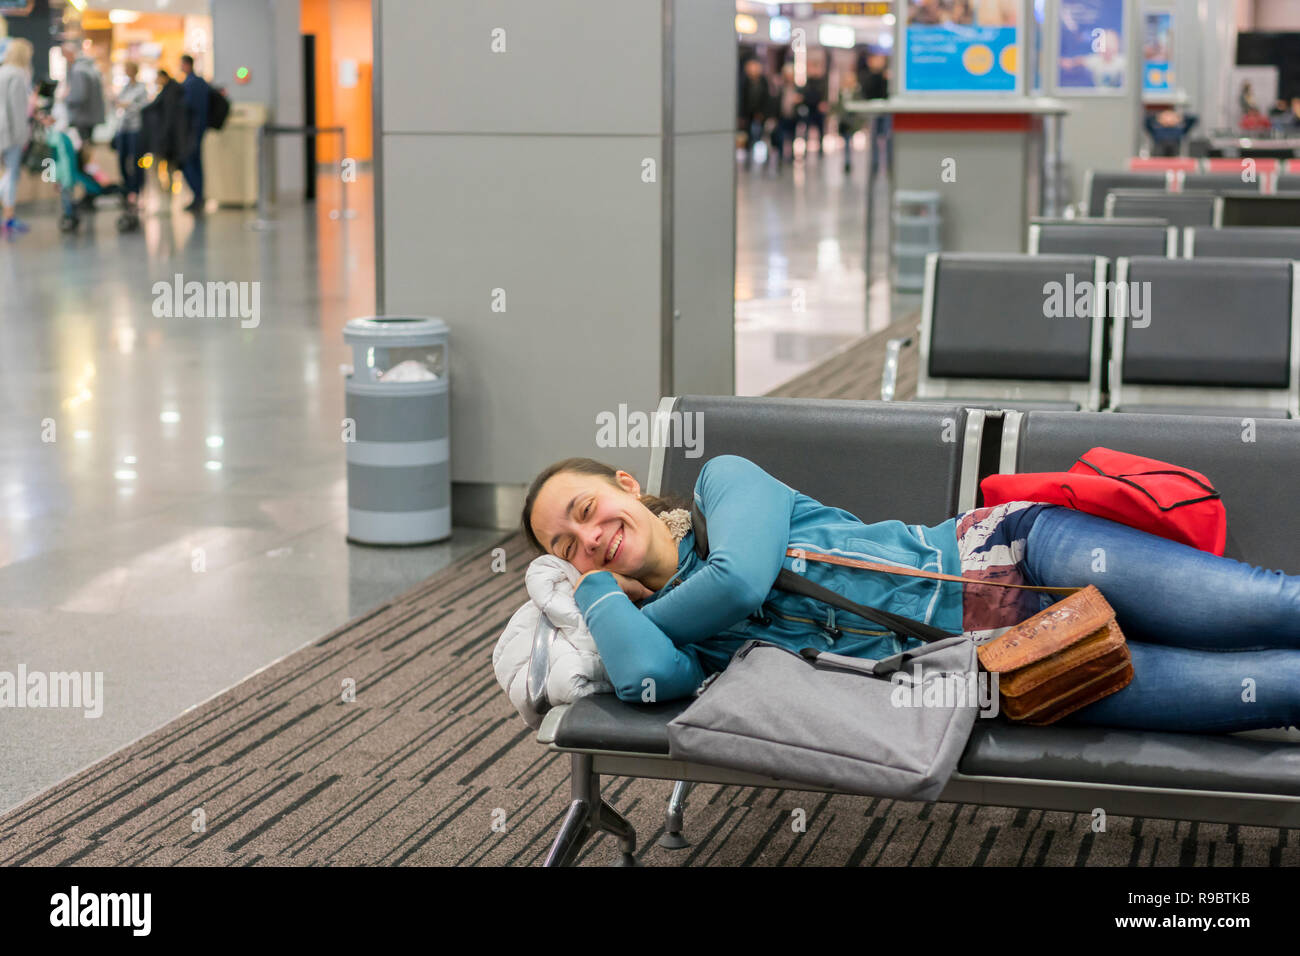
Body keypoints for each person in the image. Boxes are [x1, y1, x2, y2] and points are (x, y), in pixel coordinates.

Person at [521, 454, 1300, 734]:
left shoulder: (724, 483)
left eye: (587, 510)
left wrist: (635, 611)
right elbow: (642, 680)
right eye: (567, 546)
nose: (588, 537)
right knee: (1268, 688)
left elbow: (741, 581)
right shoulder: (668, 641)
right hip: (999, 667)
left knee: (1266, 607)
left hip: (1013, 554)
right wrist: (594, 594)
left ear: (627, 485)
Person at [140, 69, 193, 199]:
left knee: (165, 167)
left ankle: (166, 194)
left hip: (167, 139)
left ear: (163, 77)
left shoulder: (170, 93)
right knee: (169, 167)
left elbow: (167, 117)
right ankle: (167, 193)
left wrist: (163, 135)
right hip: (170, 139)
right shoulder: (172, 91)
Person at [0, 37, 34, 236]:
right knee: (12, 174)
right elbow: (17, 109)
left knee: (7, 173)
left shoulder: (2, 72)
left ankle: (9, 216)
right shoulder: (18, 76)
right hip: (11, 132)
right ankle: (9, 217)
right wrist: (23, 136)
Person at [111, 61, 149, 213]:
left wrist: (127, 106)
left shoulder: (141, 88)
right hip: (123, 128)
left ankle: (137, 190)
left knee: (136, 161)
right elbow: (118, 105)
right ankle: (127, 188)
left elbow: (142, 107)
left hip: (136, 128)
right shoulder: (125, 88)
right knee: (122, 159)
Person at [177, 54, 209, 213]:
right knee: (196, 162)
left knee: (188, 161)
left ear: (187, 65)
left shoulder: (191, 84)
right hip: (198, 129)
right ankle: (198, 196)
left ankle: (198, 195)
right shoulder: (200, 83)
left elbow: (188, 108)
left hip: (192, 130)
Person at [61, 40, 105, 150]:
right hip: (90, 115)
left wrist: (65, 98)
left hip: (82, 116)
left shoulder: (78, 70)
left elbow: (79, 96)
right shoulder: (90, 67)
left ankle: (84, 166)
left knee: (82, 148)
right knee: (87, 145)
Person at [858, 52, 891, 178]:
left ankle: (888, 162)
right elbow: (867, 92)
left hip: (885, 112)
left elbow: (887, 94)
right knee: (874, 140)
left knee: (887, 138)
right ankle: (875, 163)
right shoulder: (866, 76)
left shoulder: (886, 77)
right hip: (873, 113)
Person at [738, 57, 769, 170]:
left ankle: (759, 157)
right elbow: (742, 99)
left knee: (759, 135)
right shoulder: (745, 81)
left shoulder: (763, 81)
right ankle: (747, 157)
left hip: (759, 114)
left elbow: (766, 98)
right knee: (747, 136)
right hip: (747, 114)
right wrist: (741, 115)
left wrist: (762, 113)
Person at [768, 64, 800, 171]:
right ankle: (781, 157)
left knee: (791, 137)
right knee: (780, 137)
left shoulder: (797, 88)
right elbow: (774, 102)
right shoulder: (780, 88)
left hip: (793, 117)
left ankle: (790, 156)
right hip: (782, 116)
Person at [831, 68, 862, 175]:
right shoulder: (841, 92)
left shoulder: (857, 92)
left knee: (849, 142)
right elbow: (837, 106)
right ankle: (847, 161)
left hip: (852, 121)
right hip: (843, 122)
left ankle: (848, 161)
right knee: (846, 142)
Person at [796, 60, 829, 156]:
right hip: (810, 109)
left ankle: (821, 150)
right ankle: (805, 149)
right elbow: (805, 96)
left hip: (819, 111)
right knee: (806, 130)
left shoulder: (822, 83)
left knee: (821, 130)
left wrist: (823, 103)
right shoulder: (808, 83)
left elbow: (824, 97)